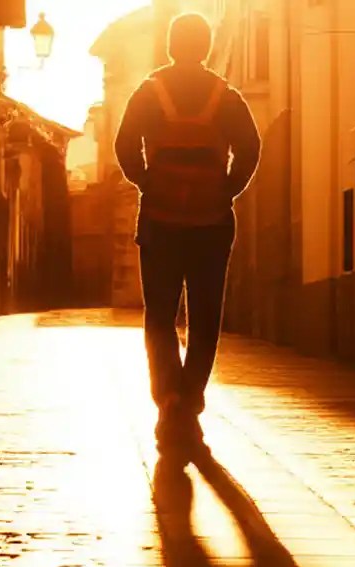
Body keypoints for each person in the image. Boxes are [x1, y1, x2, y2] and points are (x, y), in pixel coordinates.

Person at [115, 12, 261, 457]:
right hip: (211, 225)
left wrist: (147, 180)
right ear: (208, 47)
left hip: (159, 222)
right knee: (204, 317)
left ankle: (168, 401)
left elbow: (124, 144)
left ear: (171, 46)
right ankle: (190, 404)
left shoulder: (149, 91)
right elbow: (251, 148)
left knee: (159, 316)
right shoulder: (227, 96)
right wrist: (226, 188)